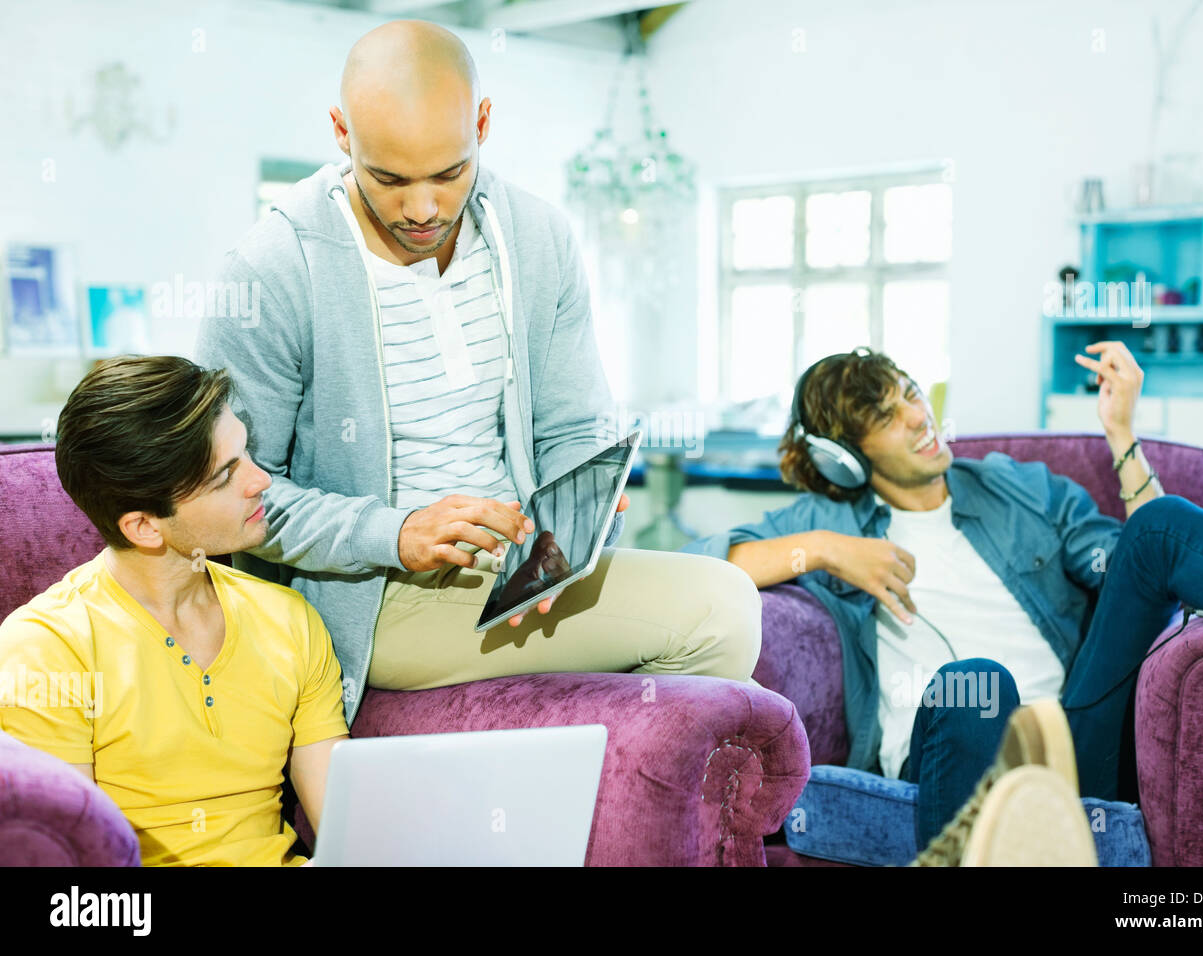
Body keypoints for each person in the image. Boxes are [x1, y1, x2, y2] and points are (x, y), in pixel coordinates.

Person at [195, 20, 761, 727]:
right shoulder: (273, 269)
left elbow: (573, 426)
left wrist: (572, 534)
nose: (423, 209)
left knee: (726, 608)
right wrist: (396, 532)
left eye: (449, 173)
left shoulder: (538, 237)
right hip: (375, 592)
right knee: (720, 609)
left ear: (483, 124)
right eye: (390, 179)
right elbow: (229, 502)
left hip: (518, 574)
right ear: (342, 132)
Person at [682, 342, 1203, 859]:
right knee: (978, 684)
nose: (921, 418)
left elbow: (1140, 571)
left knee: (1161, 524)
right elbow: (699, 566)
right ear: (847, 457)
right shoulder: (826, 520)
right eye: (889, 416)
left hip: (1074, 736)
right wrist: (821, 549)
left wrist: (1121, 436)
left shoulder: (1018, 486)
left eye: (912, 395)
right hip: (954, 742)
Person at [0, 356, 348, 866]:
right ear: (144, 527)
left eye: (245, 452)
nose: (261, 481)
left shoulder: (289, 617)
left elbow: (347, 829)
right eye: (226, 474)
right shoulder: (48, 647)